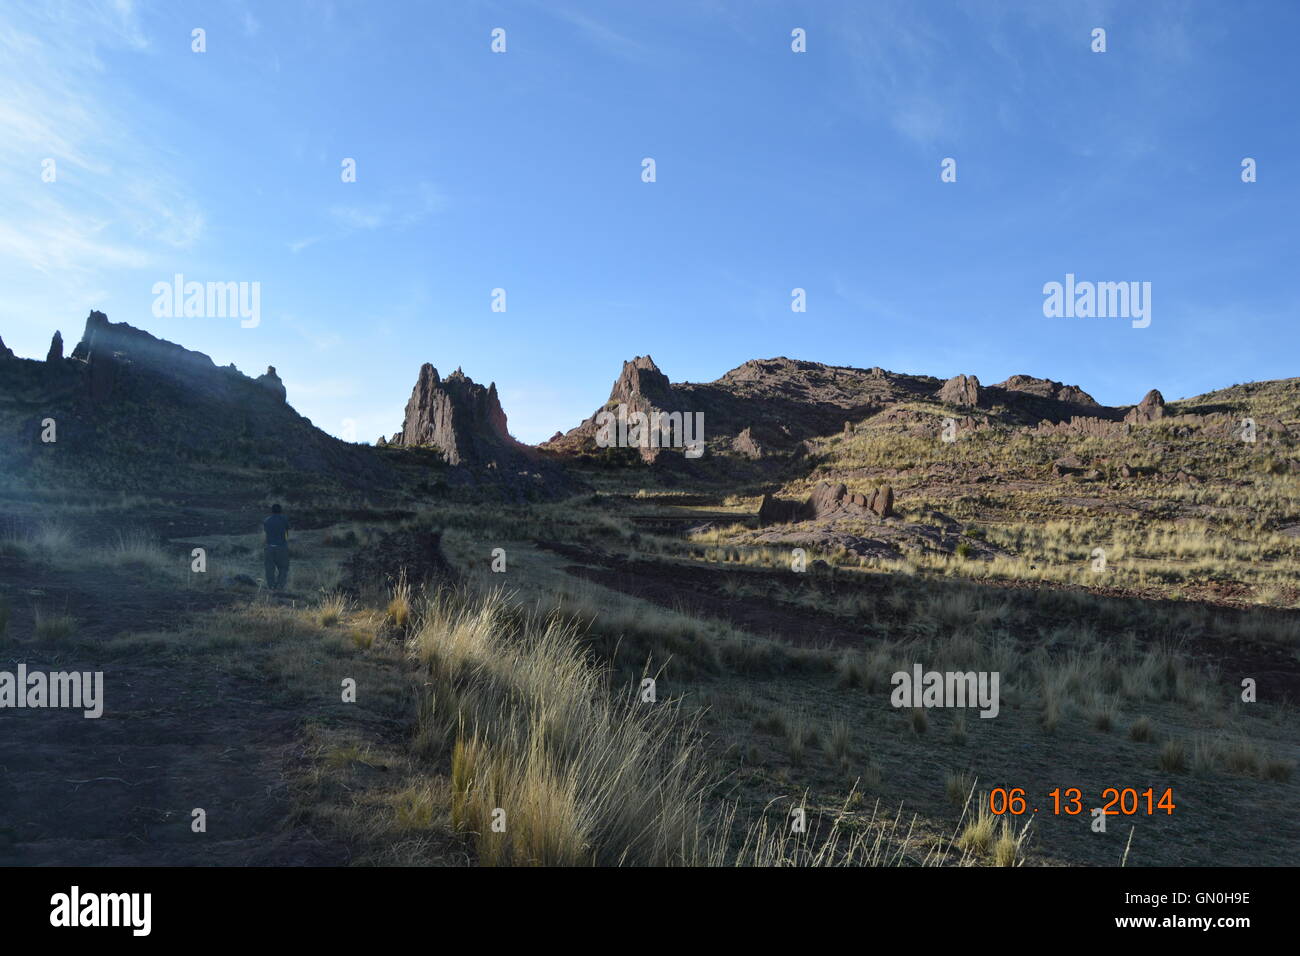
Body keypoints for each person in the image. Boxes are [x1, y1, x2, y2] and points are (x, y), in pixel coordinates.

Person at [263, 503, 290, 591]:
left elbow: (266, 531)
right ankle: (280, 586)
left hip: (269, 547)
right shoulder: (284, 519)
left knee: (269, 568)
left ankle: (271, 586)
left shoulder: (267, 520)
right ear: (281, 511)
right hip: (281, 547)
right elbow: (287, 531)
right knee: (283, 567)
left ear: (272, 511)